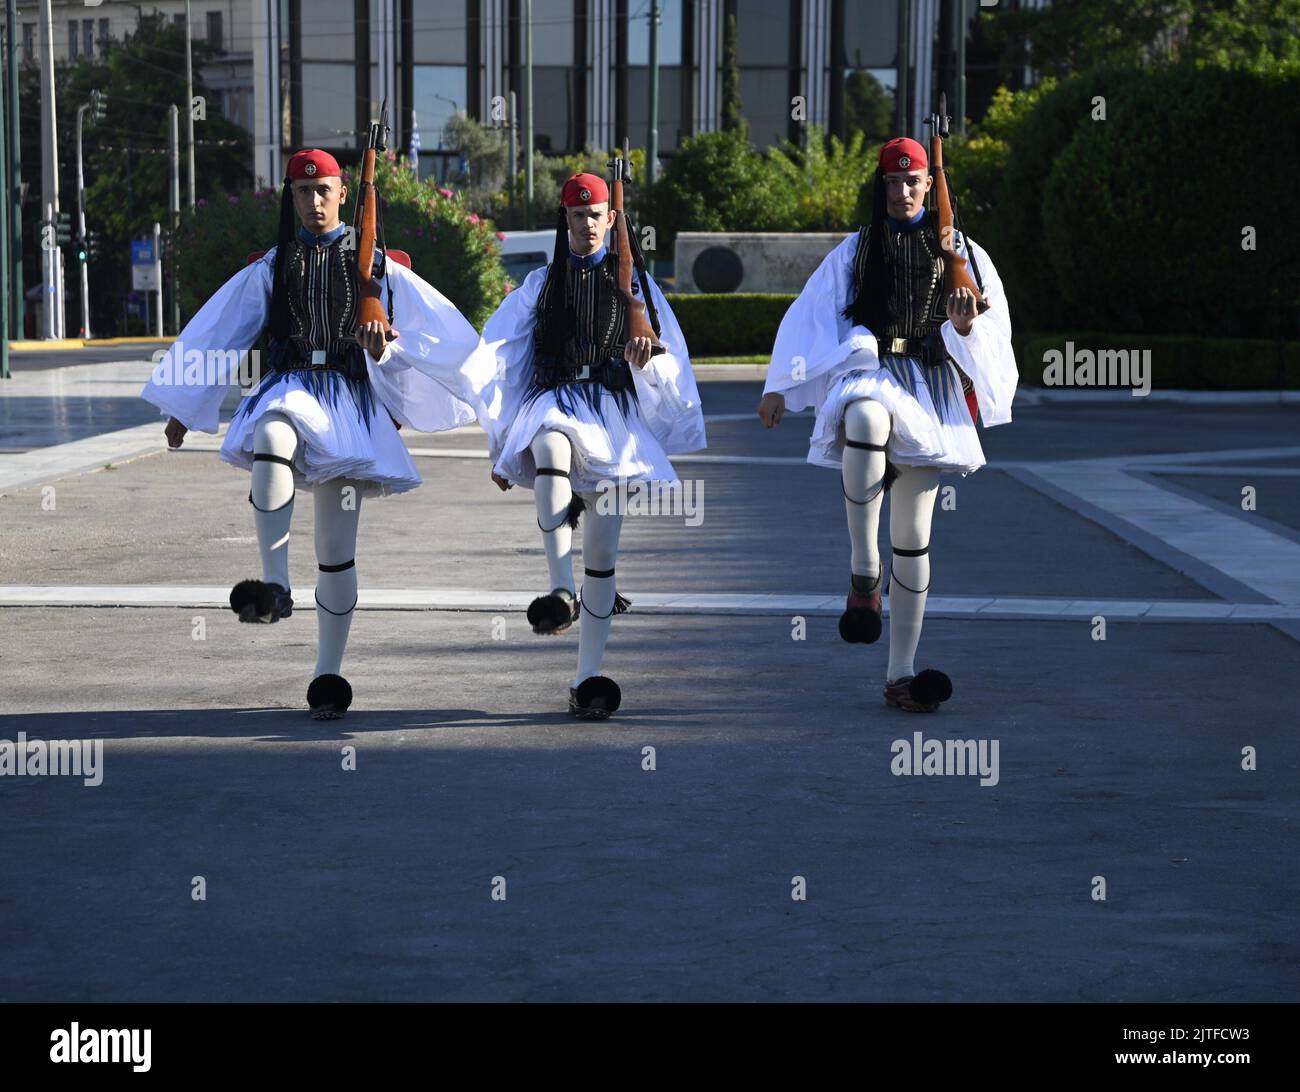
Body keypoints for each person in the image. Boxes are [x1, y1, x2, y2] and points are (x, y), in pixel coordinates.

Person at [141, 148, 485, 719]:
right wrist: (182, 403)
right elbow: (221, 330)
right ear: (292, 197)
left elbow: (441, 335)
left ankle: (328, 677)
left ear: (344, 193)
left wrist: (389, 346)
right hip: (291, 381)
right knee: (271, 433)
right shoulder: (273, 265)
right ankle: (274, 584)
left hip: (348, 401)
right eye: (303, 192)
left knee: (335, 550)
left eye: (324, 189)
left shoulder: (380, 268)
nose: (314, 201)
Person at [399, 171, 705, 719]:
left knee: (605, 559)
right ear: (563, 220)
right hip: (557, 398)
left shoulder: (639, 287)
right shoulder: (539, 284)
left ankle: (587, 678)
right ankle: (560, 588)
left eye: (596, 216)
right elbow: (498, 359)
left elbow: (671, 360)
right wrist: (501, 440)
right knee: (553, 445)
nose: (586, 225)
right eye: (576, 215)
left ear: (612, 220)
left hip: (612, 415)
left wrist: (649, 359)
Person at [757, 137, 1018, 712]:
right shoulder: (858, 249)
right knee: (865, 416)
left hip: (930, 386)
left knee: (914, 538)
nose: (902, 192)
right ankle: (862, 572)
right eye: (893, 183)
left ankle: (901, 672)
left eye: (913, 181)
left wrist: (966, 327)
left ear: (930, 184)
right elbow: (811, 310)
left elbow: (993, 331)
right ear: (883, 186)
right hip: (873, 369)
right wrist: (779, 382)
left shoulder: (963, 253)